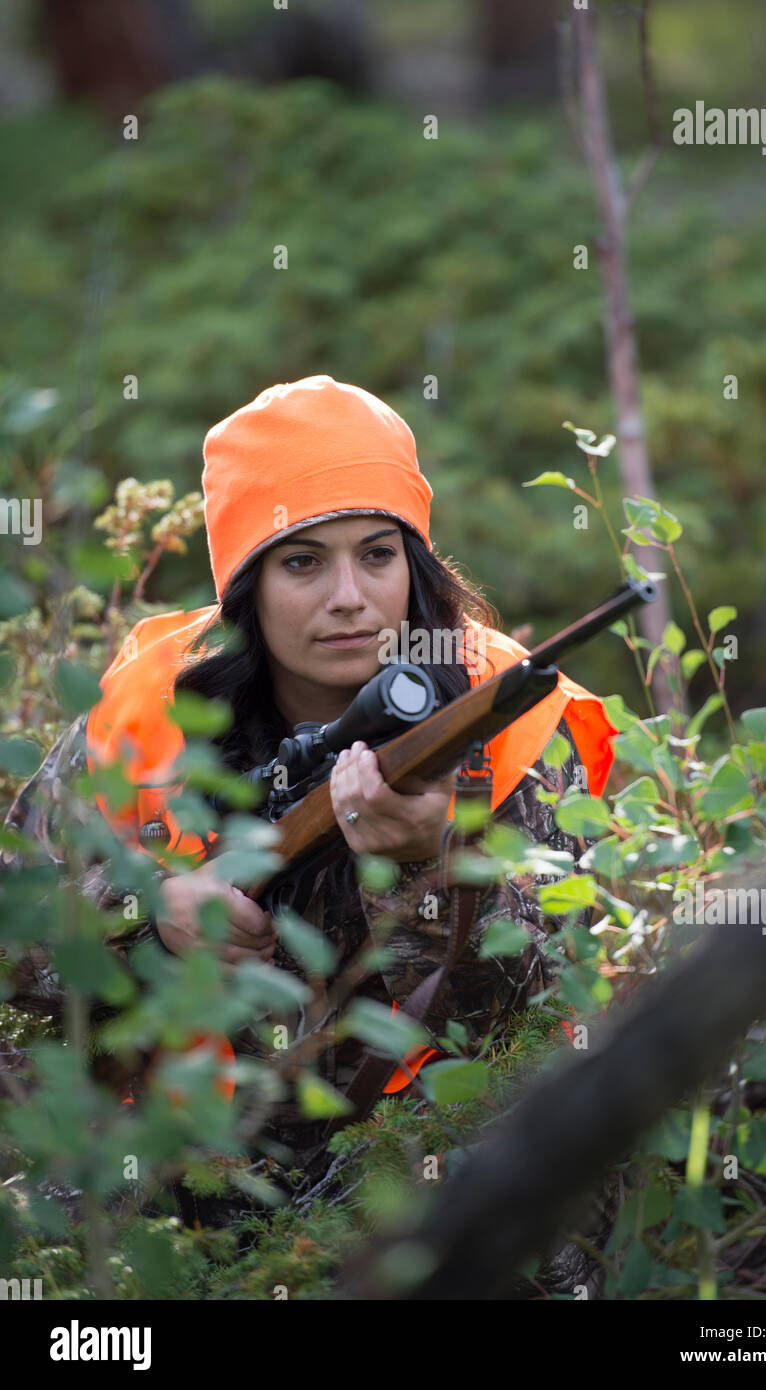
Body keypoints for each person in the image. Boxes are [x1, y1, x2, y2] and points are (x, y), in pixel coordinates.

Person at [0, 377, 618, 1272]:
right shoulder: (140, 719)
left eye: (377, 555)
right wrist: (148, 916)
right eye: (300, 562)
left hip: (423, 1151)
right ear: (244, 586)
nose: (349, 598)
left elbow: (541, 1018)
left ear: (416, 563)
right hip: (182, 1155)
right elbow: (18, 962)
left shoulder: (513, 723)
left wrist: (428, 869)